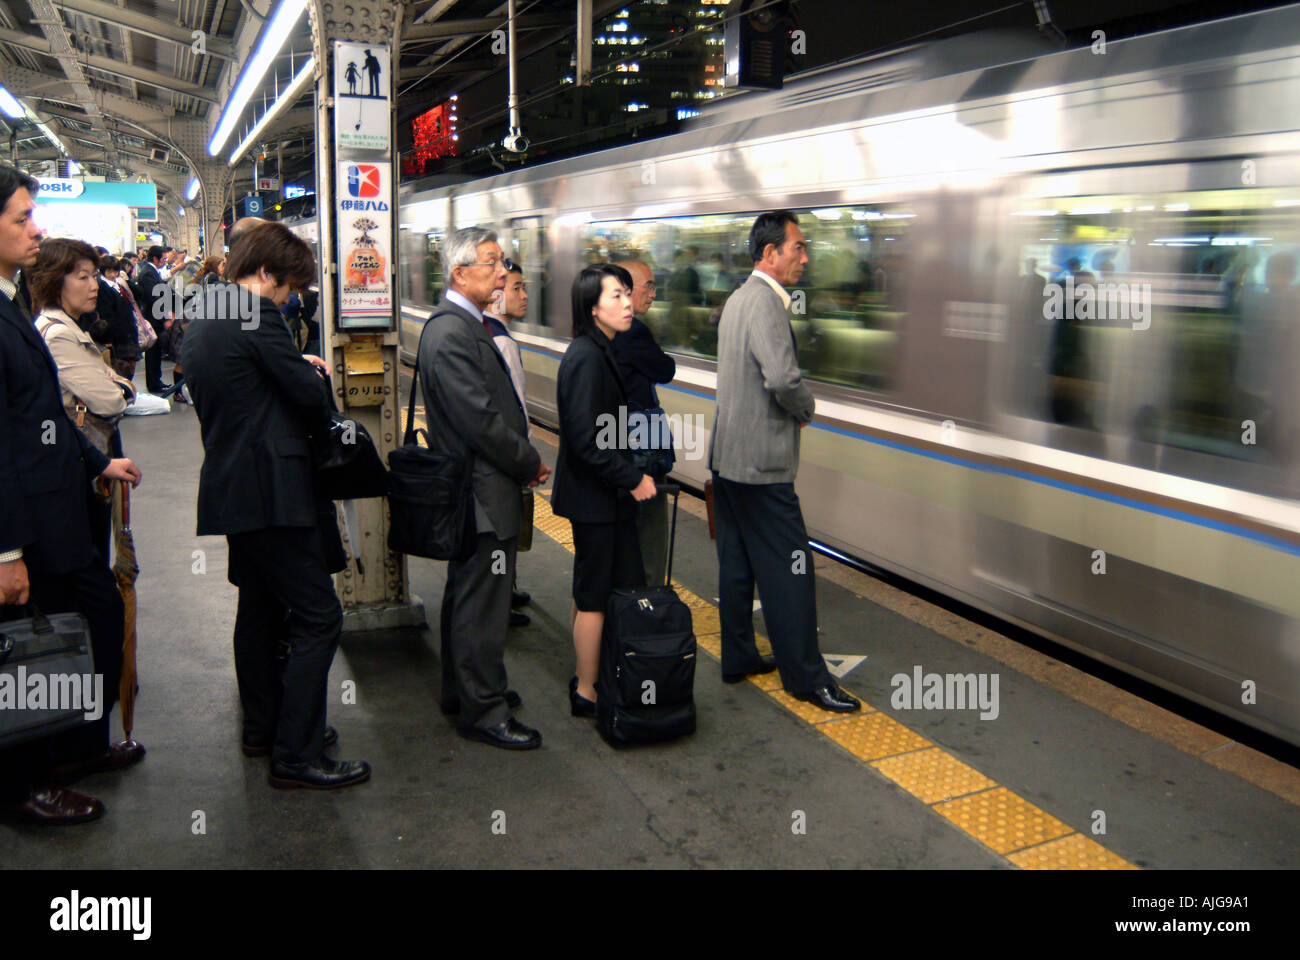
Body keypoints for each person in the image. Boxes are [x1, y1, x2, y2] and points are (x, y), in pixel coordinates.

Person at [182, 221, 369, 790]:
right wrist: (309, 373)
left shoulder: (204, 316)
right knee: (319, 616)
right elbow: (308, 399)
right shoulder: (255, 313)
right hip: (273, 491)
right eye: (287, 288)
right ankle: (297, 753)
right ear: (265, 274)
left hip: (235, 487)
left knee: (260, 610)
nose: (289, 299)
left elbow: (247, 391)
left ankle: (263, 729)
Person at [0, 164, 146, 826]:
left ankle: (76, 746)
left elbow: (46, 418)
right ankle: (28, 780)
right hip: (29, 523)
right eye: (21, 218)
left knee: (86, 624)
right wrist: (5, 550)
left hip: (58, 507)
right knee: (35, 646)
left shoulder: (12, 307)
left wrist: (98, 461)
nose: (36, 228)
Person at [709, 210, 861, 713]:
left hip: (728, 458)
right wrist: (806, 409)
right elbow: (781, 379)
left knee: (737, 563)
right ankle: (806, 677)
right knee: (791, 570)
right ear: (770, 253)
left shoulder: (735, 299)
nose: (805, 256)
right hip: (762, 466)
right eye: (798, 247)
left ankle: (739, 655)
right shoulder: (769, 305)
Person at [420, 226, 548, 750]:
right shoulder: (453, 332)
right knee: (482, 607)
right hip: (480, 493)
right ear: (459, 272)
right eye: (492, 263)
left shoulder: (461, 325)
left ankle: (465, 691)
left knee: (466, 597)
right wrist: (529, 461)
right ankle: (484, 710)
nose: (502, 273)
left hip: (477, 491)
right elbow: (482, 421)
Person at [552, 264, 658, 716]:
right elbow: (583, 438)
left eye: (627, 294)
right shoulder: (587, 357)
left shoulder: (598, 349)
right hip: (595, 498)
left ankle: (585, 673)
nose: (627, 303)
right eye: (615, 296)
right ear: (592, 308)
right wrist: (632, 477)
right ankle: (588, 692)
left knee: (589, 590)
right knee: (595, 594)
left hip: (598, 495)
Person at [30, 238, 137, 560]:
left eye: (94, 276)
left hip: (85, 460)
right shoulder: (60, 334)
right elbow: (112, 401)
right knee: (92, 560)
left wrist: (113, 382)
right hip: (82, 465)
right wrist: (119, 384)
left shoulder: (67, 327)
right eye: (83, 277)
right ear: (54, 280)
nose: (94, 285)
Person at [612, 259, 677, 587]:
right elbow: (665, 369)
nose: (653, 293)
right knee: (650, 532)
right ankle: (648, 606)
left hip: (615, 442)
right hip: (641, 447)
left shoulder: (601, 329)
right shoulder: (633, 330)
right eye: (648, 285)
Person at [483, 260, 534, 628]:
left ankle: (506, 592)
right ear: (496, 295)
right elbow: (517, 410)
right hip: (504, 461)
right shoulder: (503, 342)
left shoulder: (481, 332)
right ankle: (502, 601)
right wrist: (528, 458)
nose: (524, 295)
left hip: (491, 459)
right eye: (516, 287)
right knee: (505, 533)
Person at [135, 245, 173, 394]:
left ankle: (157, 380)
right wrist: (166, 316)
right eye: (163, 259)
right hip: (153, 317)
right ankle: (153, 383)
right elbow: (155, 297)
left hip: (156, 317)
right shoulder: (148, 273)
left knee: (156, 352)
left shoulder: (152, 272)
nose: (165, 261)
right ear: (155, 259)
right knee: (152, 353)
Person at [97, 256, 140, 381]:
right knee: (121, 369)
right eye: (109, 271)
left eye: (115, 271)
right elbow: (107, 315)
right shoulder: (103, 288)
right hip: (118, 336)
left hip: (127, 332)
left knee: (129, 367)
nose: (113, 274)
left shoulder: (117, 284)